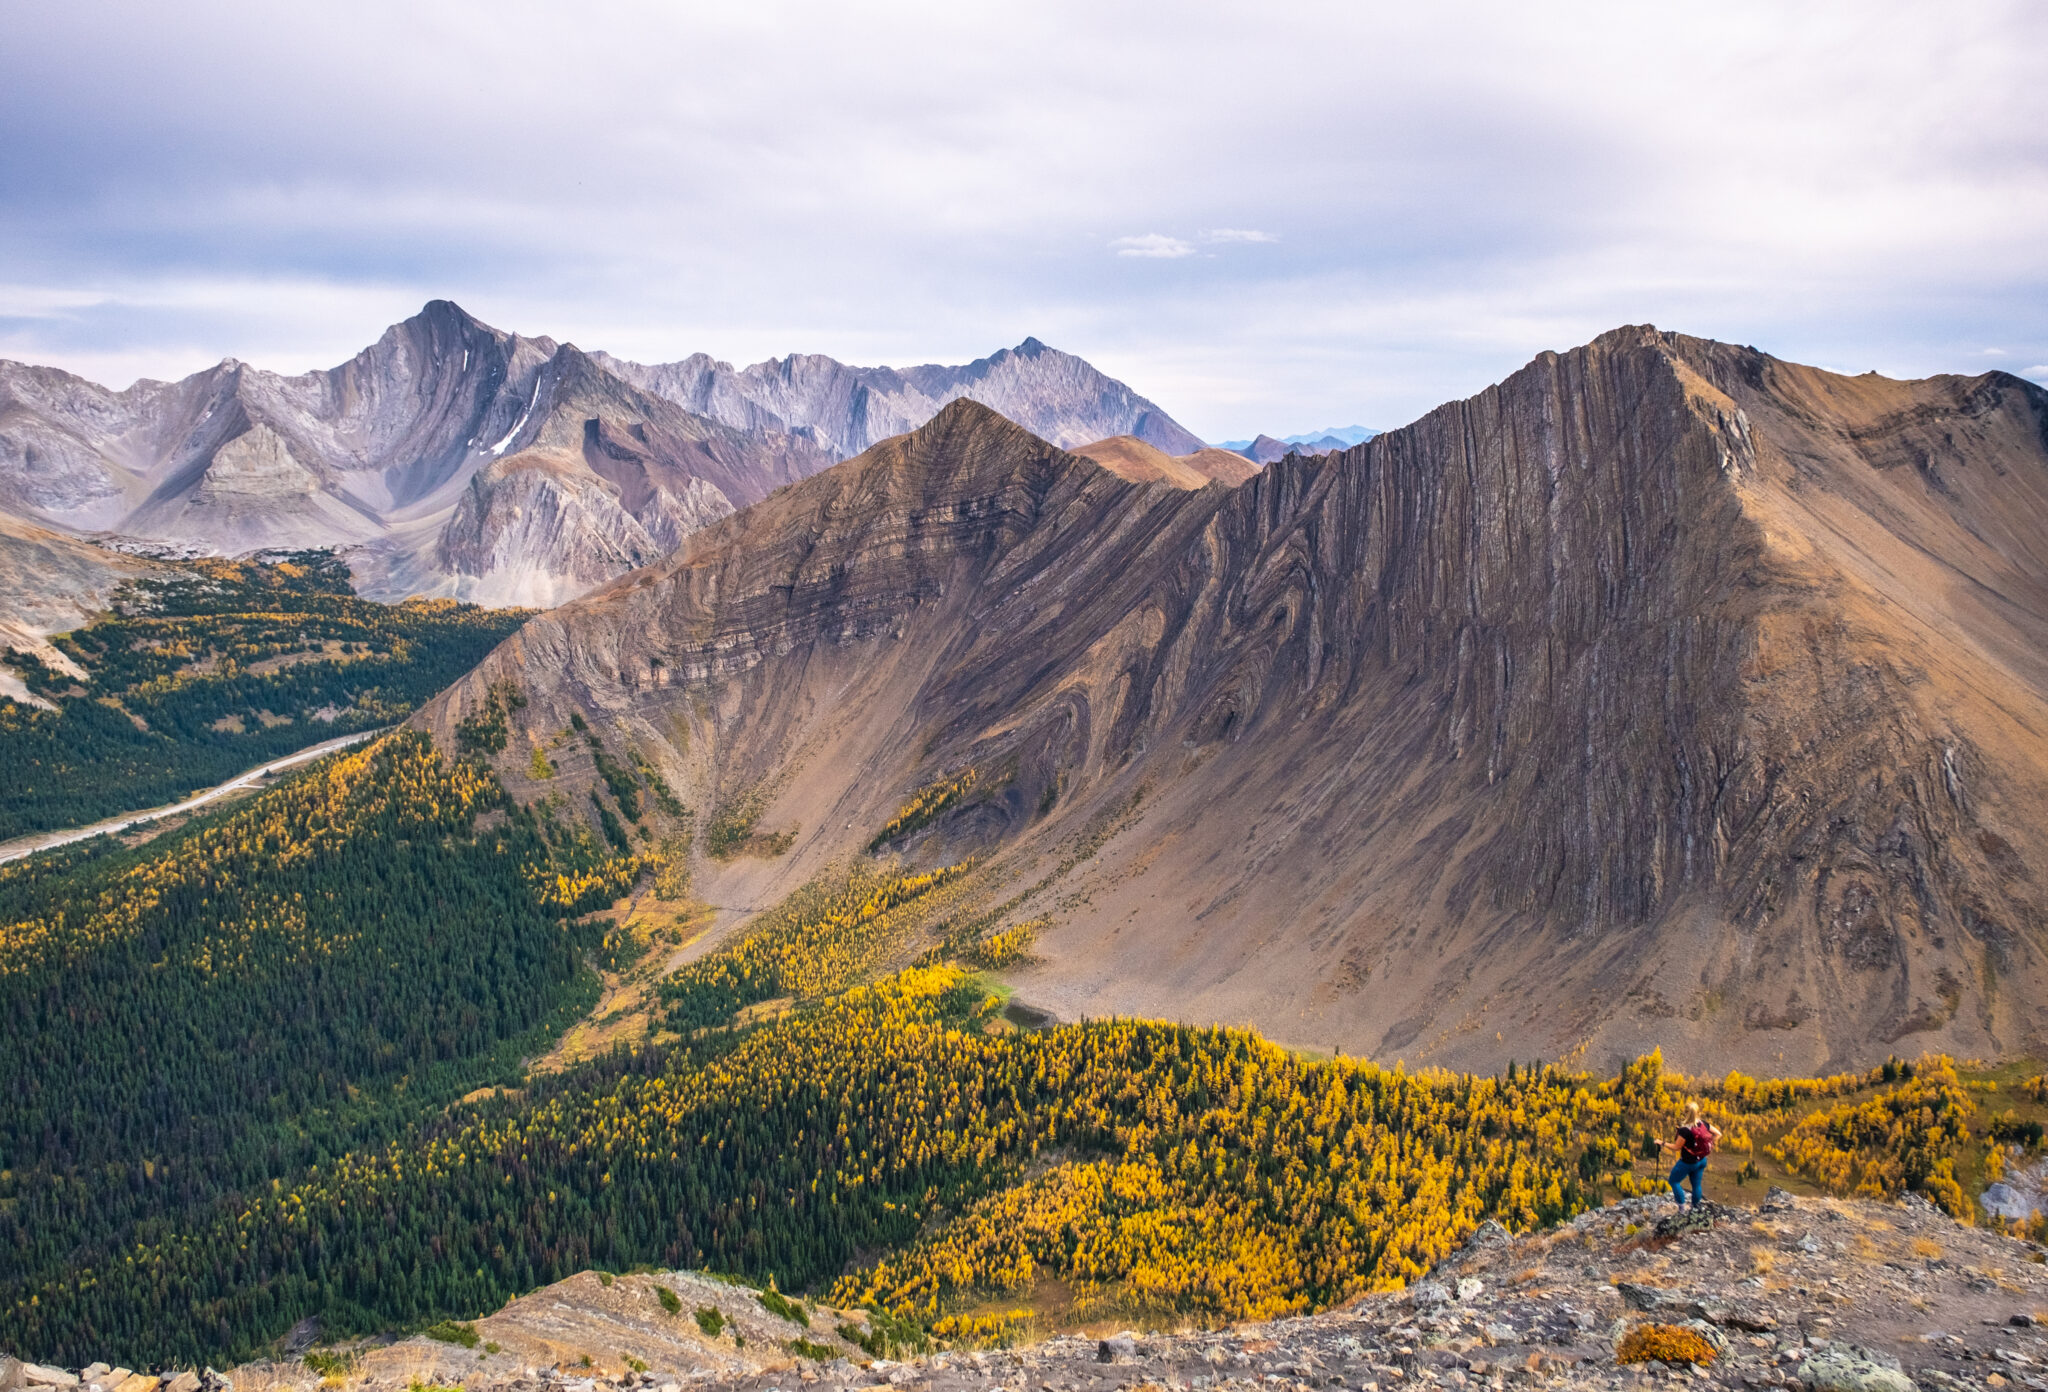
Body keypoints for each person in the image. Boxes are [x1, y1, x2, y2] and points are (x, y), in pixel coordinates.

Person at [1659, 1101, 1721, 1208]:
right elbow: (1718, 1134)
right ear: (1697, 1112)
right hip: (1701, 1160)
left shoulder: (1685, 1130)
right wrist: (1712, 1143)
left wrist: (1662, 1143)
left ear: (1685, 1112)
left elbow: (1676, 1147)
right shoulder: (1703, 1124)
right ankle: (1695, 1208)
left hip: (1688, 1162)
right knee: (1696, 1185)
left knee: (1674, 1181)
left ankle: (1682, 1209)